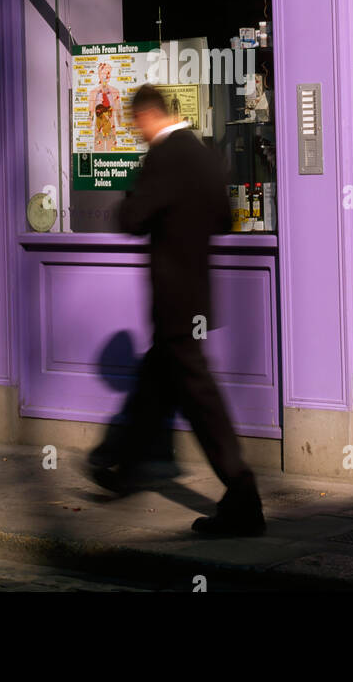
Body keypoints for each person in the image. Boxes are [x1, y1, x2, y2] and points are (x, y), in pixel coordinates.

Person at [87, 84, 265, 537]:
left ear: (148, 117)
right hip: (196, 298)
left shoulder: (165, 157)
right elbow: (225, 219)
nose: (138, 132)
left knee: (200, 401)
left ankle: (243, 496)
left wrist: (133, 198)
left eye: (137, 124)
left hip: (175, 300)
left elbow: (132, 220)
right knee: (155, 385)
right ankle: (121, 466)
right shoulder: (205, 153)